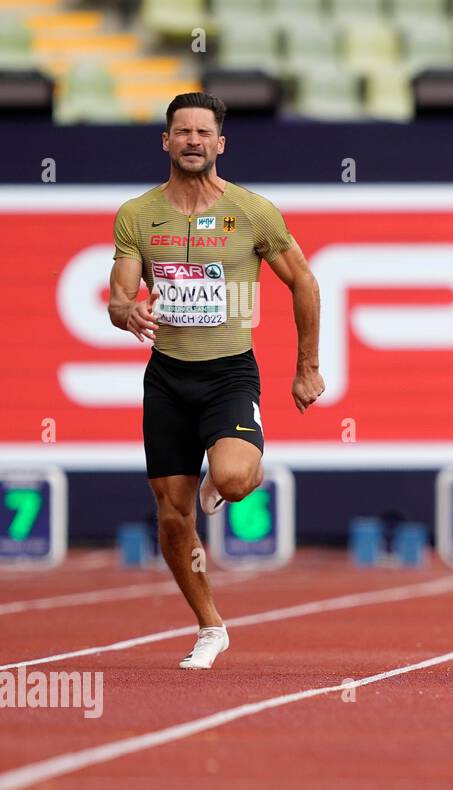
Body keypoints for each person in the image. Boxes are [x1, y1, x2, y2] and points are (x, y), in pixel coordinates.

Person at [107, 92, 324, 669]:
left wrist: (307, 366)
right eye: (183, 132)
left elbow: (304, 281)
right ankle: (209, 625)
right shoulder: (137, 213)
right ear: (166, 141)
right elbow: (120, 295)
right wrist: (126, 310)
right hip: (168, 378)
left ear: (220, 143)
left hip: (229, 372)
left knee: (230, 480)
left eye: (204, 133)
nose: (194, 142)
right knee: (172, 514)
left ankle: (225, 475)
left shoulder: (251, 212)